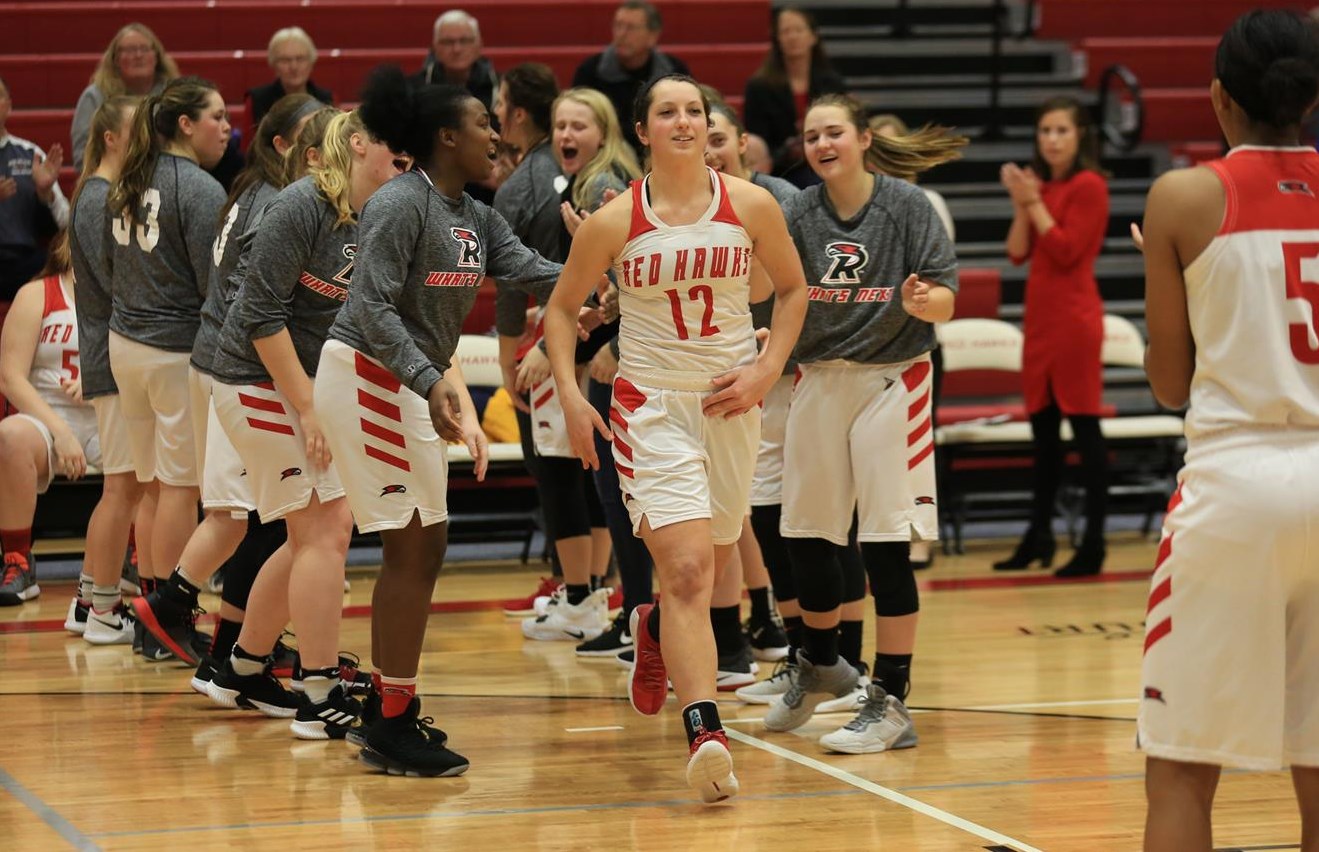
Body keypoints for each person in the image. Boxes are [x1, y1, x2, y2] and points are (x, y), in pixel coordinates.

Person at [544, 74, 808, 803]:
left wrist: (766, 370)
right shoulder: (614, 220)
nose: (685, 121)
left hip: (729, 401)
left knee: (715, 565)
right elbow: (562, 312)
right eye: (669, 112)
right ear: (643, 131)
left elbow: (792, 291)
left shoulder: (750, 205)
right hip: (649, 406)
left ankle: (653, 625)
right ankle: (705, 732)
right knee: (690, 570)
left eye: (695, 110)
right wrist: (570, 396)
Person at [318, 65, 570, 776]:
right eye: (482, 125)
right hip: (368, 373)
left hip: (406, 381)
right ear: (444, 137)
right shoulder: (399, 205)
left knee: (426, 547)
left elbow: (530, 266)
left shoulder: (477, 215)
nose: (495, 133)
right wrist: (434, 383)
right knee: (410, 544)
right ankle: (388, 719)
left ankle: (391, 705)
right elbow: (369, 308)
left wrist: (609, 272)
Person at [1138, 10, 1319, 850]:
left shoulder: (1184, 196)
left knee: (1178, 764)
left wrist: (1170, 271)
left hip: (1236, 479)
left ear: (1217, 97)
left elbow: (1170, 382)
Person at [765, 94, 963, 756]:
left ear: (862, 138)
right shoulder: (796, 212)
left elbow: (945, 301)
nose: (821, 143)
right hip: (818, 377)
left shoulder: (907, 207)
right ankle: (821, 662)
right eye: (811, 135)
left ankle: (892, 702)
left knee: (882, 542)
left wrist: (921, 299)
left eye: (833, 133)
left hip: (893, 378)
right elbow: (778, 294)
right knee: (806, 535)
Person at [202, 107, 402, 738]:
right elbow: (260, 315)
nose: (407, 159)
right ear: (360, 146)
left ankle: (244, 666)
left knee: (312, 532)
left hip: (304, 384)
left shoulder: (382, 214)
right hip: (253, 377)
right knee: (324, 531)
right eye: (394, 147)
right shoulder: (298, 206)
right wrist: (310, 407)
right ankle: (317, 688)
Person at [137, 94, 326, 691]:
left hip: (216, 359)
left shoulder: (247, 190)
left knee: (243, 514)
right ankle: (227, 642)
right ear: (284, 145)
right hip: (240, 367)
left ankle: (208, 626)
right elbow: (256, 303)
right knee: (265, 518)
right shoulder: (277, 204)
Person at [106, 76, 229, 663]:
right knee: (181, 487)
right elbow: (213, 289)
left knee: (154, 484)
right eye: (217, 117)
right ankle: (170, 615)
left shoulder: (129, 177)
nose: (227, 128)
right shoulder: (200, 189)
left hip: (125, 344)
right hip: (173, 348)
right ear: (185, 124)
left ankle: (150, 615)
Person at [997, 95, 1110, 577]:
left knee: (1084, 429)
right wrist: (1025, 203)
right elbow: (1017, 251)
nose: (1052, 139)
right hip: (1041, 321)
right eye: (1045, 131)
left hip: (1076, 319)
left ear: (1080, 134)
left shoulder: (1090, 185)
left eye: (1061, 130)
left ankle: (1094, 542)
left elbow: (1065, 250)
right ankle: (1037, 535)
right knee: (1043, 437)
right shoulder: (1039, 188)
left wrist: (1034, 201)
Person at [64, 95, 150, 644]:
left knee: (124, 488)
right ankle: (102, 610)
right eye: (139, 129)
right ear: (112, 137)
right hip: (112, 355)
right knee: (123, 489)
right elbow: (120, 286)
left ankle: (85, 600)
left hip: (108, 353)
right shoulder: (100, 200)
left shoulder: (96, 195)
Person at [0, 235, 97, 605]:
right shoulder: (37, 293)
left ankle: (133, 556)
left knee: (152, 437)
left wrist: (100, 378)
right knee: (9, 435)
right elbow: (10, 377)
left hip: (107, 415)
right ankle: (18, 561)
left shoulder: (126, 294)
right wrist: (60, 432)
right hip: (47, 419)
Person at [743, 7, 846, 184]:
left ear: (813, 36)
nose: (793, 37)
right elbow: (757, 142)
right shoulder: (759, 86)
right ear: (777, 38)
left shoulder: (832, 83)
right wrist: (788, 151)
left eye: (799, 30)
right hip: (780, 170)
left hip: (826, 160)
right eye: (786, 31)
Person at [572, 2, 690, 154]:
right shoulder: (590, 71)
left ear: (652, 36)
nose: (621, 34)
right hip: (605, 154)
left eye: (631, 28)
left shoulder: (674, 72)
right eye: (618, 26)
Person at [71, 23, 179, 170]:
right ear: (115, 59)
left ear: (156, 56)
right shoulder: (95, 97)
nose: (138, 55)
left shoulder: (174, 94)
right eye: (130, 50)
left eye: (145, 49)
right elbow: (83, 156)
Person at [1, 76, 70, 302]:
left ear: (9, 105)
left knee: (61, 262)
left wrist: (45, 193)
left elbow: (65, 221)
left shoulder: (31, 154)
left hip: (24, 261)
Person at [241, 28, 334, 152]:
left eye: (300, 59)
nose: (294, 67)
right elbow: (248, 150)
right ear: (273, 64)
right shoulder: (257, 100)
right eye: (285, 60)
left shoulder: (326, 99)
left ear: (311, 62)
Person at [411, 9, 498, 117]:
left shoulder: (499, 88)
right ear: (434, 47)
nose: (457, 49)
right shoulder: (414, 90)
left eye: (465, 41)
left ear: (479, 45)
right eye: (448, 42)